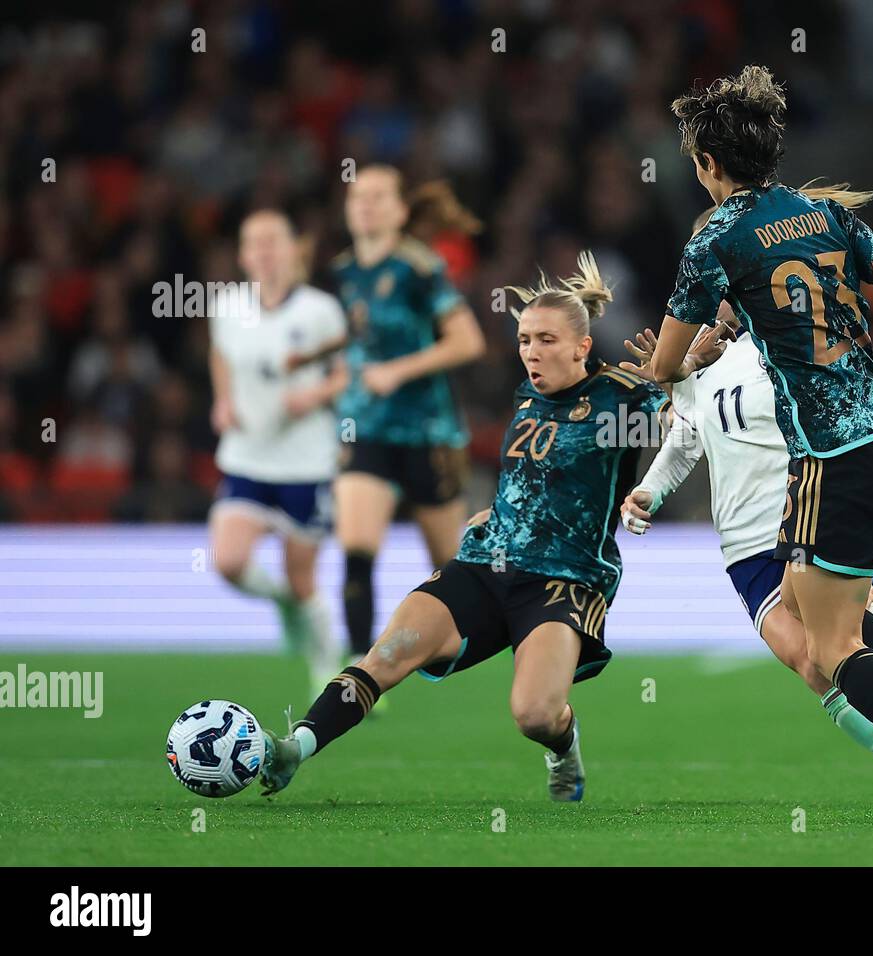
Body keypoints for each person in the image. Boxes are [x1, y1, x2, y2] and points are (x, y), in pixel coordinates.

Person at [648, 66, 873, 824]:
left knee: (832, 653)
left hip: (831, 455)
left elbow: (661, 368)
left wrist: (697, 357)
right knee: (838, 629)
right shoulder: (826, 216)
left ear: (708, 164)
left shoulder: (713, 238)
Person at [257, 253, 689, 802]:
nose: (532, 351)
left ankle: (564, 745)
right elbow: (531, 475)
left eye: (547, 340)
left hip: (566, 580)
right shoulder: (527, 396)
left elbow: (686, 427)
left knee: (534, 715)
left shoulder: (620, 396)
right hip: (485, 565)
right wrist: (497, 512)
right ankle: (296, 747)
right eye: (525, 339)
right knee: (385, 658)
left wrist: (671, 419)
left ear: (582, 346)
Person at [325, 165, 487, 665]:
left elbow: (468, 341)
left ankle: (465, 645)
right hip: (365, 427)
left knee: (449, 564)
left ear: (399, 211)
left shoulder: (420, 268)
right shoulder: (343, 272)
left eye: (378, 197)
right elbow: (353, 343)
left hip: (425, 430)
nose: (366, 204)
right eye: (358, 196)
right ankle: (356, 668)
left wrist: (398, 370)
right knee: (356, 549)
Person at [208, 209, 347, 688]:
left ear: (292, 250)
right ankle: (283, 603)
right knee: (227, 562)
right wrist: (224, 401)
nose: (265, 251)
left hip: (305, 462)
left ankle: (327, 673)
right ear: (244, 254)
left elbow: (347, 372)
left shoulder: (320, 311)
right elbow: (220, 355)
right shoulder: (228, 306)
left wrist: (314, 395)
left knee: (302, 576)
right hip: (247, 456)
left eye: (274, 241)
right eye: (255, 242)